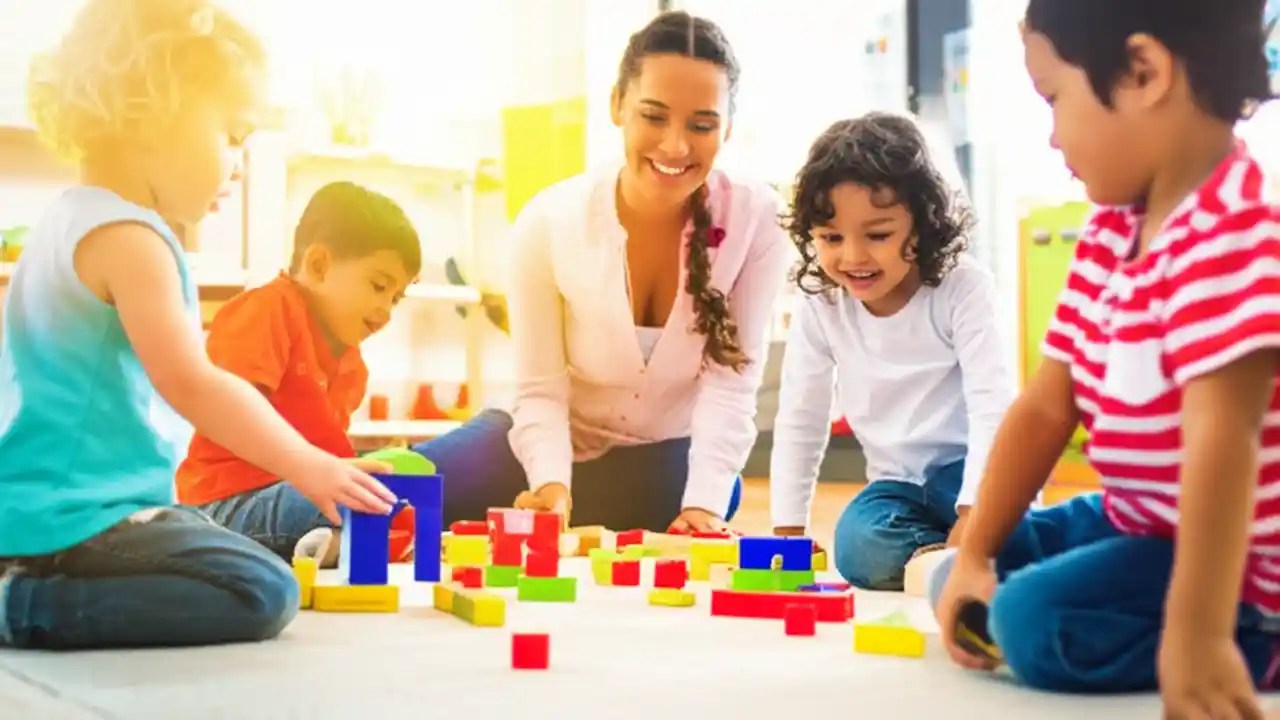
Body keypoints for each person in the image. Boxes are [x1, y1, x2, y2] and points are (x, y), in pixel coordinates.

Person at [0, 0, 395, 650]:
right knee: (263, 590)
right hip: (79, 524)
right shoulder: (131, 240)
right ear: (151, 117)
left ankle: (31, 584)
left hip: (46, 516)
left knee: (224, 552)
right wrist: (307, 463)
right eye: (232, 135)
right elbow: (197, 385)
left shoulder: (63, 222)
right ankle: (27, 604)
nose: (238, 163)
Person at [932, 0, 1280, 715]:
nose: (1053, 137)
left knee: (1032, 623)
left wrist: (1197, 634)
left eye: (1056, 99)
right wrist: (974, 555)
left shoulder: (1233, 235)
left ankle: (1254, 643)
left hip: (1236, 568)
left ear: (1145, 72)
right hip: (1137, 517)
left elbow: (1224, 444)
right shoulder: (1110, 232)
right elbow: (1046, 406)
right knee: (963, 573)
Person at [412, 10, 792, 533]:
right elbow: (541, 391)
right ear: (617, 104)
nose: (676, 145)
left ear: (727, 127)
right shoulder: (548, 222)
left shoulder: (758, 222)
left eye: (701, 124)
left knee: (714, 495)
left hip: (666, 464)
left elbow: (731, 386)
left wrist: (700, 504)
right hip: (539, 450)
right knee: (397, 492)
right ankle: (269, 515)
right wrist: (549, 484)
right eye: (654, 116)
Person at [770, 113, 1014, 590]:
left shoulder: (963, 288)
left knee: (1019, 517)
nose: (853, 257)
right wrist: (787, 534)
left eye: (878, 235)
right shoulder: (823, 303)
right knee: (858, 544)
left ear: (921, 227)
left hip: (973, 474)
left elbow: (994, 407)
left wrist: (973, 512)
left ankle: (974, 553)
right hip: (898, 492)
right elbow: (802, 415)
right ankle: (948, 563)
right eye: (831, 238)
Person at [177, 181, 421, 565]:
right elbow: (229, 414)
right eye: (378, 286)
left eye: (396, 298)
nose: (387, 310)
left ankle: (343, 542)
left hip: (302, 492)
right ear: (319, 265)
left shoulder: (353, 364)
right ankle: (341, 542)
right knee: (362, 500)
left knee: (394, 486)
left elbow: (330, 461)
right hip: (225, 504)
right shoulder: (266, 311)